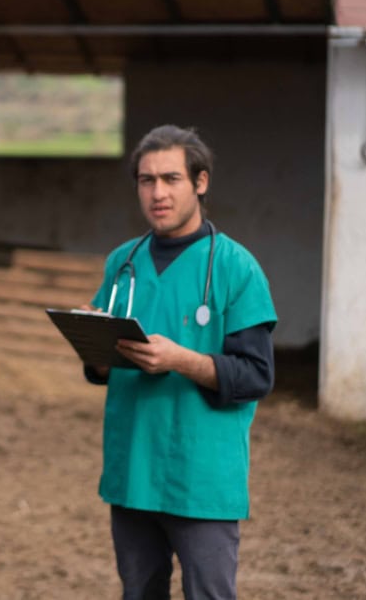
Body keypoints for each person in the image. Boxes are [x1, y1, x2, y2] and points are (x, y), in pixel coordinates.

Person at [85, 124, 277, 600]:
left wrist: (180, 360)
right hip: (132, 472)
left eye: (171, 179)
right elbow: (98, 369)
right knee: (139, 592)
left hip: (202, 478)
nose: (158, 193)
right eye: (147, 181)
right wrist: (94, 345)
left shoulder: (235, 267)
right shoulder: (122, 263)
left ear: (201, 182)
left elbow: (256, 375)